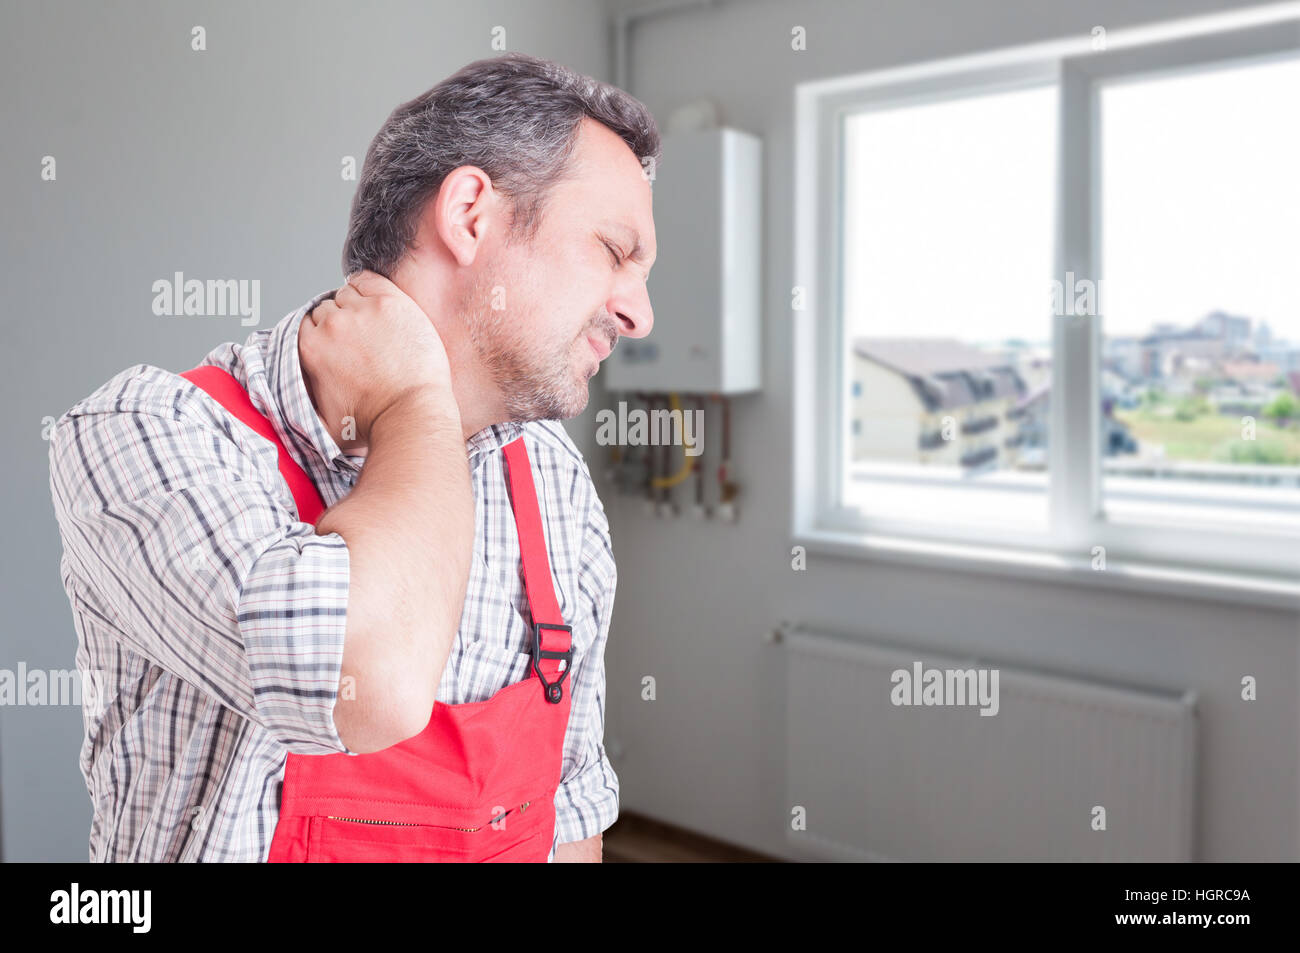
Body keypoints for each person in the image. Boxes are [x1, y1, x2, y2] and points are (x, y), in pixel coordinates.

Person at [46, 52, 659, 862]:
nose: (638, 313)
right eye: (615, 251)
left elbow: (571, 806)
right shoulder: (149, 431)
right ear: (471, 213)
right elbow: (370, 688)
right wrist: (413, 404)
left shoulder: (551, 481)